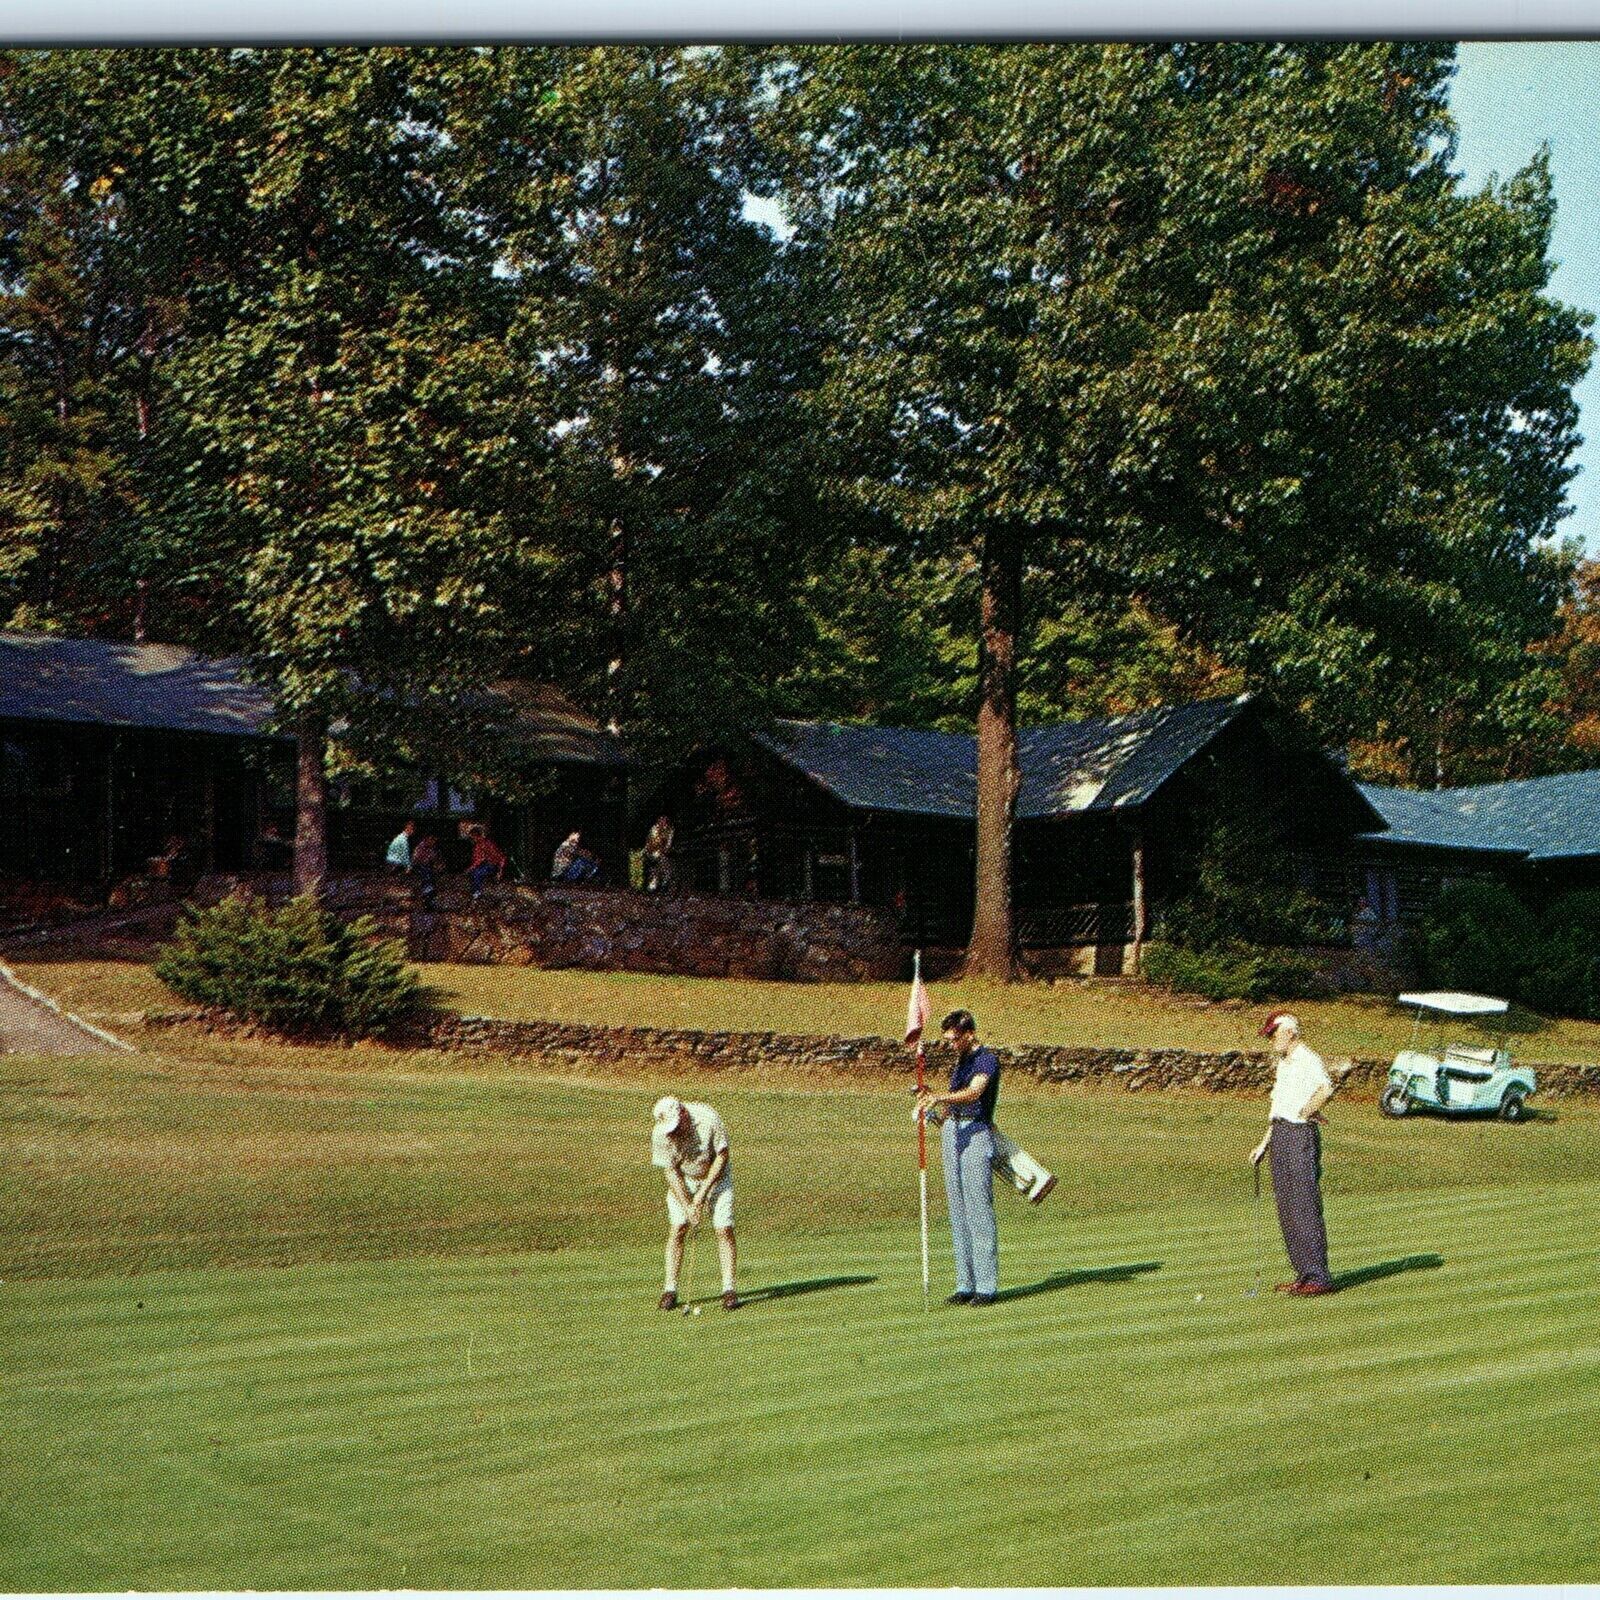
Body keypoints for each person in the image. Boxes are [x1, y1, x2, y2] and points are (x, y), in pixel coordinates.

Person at [1250, 1011, 1347, 1296]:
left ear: (1289, 1032)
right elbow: (1278, 1108)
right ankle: (1303, 1275)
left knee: (1304, 1205)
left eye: (1273, 1034)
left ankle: (1319, 1276)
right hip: (1281, 1133)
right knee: (1287, 1209)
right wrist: (1263, 1145)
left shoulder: (1308, 1059)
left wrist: (1307, 1111)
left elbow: (1326, 1088)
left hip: (1299, 1135)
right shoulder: (1284, 1064)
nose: (1270, 1040)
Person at [914, 1008, 1001, 1306]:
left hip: (976, 1132)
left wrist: (940, 1096)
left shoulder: (986, 1060)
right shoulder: (960, 1062)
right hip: (953, 1131)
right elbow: (951, 1108)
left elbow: (974, 1093)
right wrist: (932, 1108)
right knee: (958, 1210)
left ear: (969, 1034)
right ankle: (966, 1283)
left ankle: (986, 1286)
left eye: (955, 1039)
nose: (951, 1044)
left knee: (978, 1209)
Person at [651, 1095, 738, 1311]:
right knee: (679, 1227)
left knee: (723, 1229)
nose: (673, 1133)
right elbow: (670, 1171)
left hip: (716, 1176)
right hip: (684, 1179)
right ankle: (669, 1289)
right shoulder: (661, 1133)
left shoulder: (709, 1119)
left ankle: (729, 1290)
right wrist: (688, 1204)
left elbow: (722, 1156)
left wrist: (701, 1196)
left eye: (676, 1127)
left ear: (683, 1114)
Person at [467, 824, 507, 899]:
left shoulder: (488, 844)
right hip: (485, 865)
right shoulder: (477, 845)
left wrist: (500, 871)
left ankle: (477, 892)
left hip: (492, 865)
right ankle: (476, 891)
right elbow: (478, 860)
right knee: (474, 872)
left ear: (477, 835)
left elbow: (501, 858)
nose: (472, 839)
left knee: (476, 873)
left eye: (473, 837)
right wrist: (471, 868)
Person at [642, 815, 674, 893]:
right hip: (652, 851)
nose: (662, 823)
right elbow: (651, 842)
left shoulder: (669, 830)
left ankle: (663, 882)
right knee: (654, 864)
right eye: (661, 821)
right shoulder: (654, 828)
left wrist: (664, 848)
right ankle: (653, 882)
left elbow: (668, 844)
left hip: (661, 853)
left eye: (664, 821)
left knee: (662, 862)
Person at [410, 831, 441, 908]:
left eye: (434, 841)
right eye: (432, 840)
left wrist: (437, 865)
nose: (433, 842)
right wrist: (425, 861)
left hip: (428, 867)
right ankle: (428, 889)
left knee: (430, 873)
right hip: (419, 867)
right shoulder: (420, 847)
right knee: (426, 871)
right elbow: (415, 859)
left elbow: (434, 859)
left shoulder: (432, 848)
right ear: (427, 839)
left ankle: (430, 895)